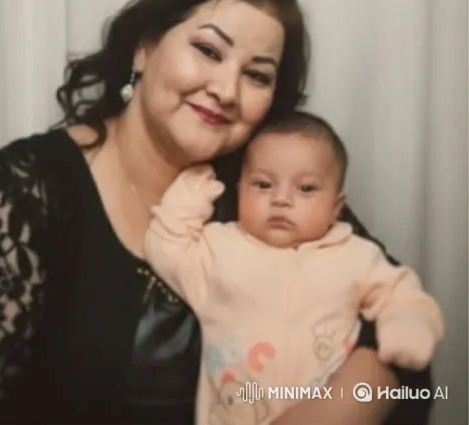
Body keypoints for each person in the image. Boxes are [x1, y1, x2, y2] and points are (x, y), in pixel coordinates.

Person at [0, 0, 433, 425]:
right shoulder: (29, 188)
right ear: (145, 47)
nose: (226, 90)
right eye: (208, 51)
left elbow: (398, 330)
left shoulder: (263, 187)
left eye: (257, 76)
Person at [144, 111, 445, 425]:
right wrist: (190, 194)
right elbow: (166, 248)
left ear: (336, 207)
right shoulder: (218, 249)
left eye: (306, 189)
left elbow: (401, 295)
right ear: (239, 189)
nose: (281, 199)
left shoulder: (356, 256)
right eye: (263, 184)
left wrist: (405, 329)